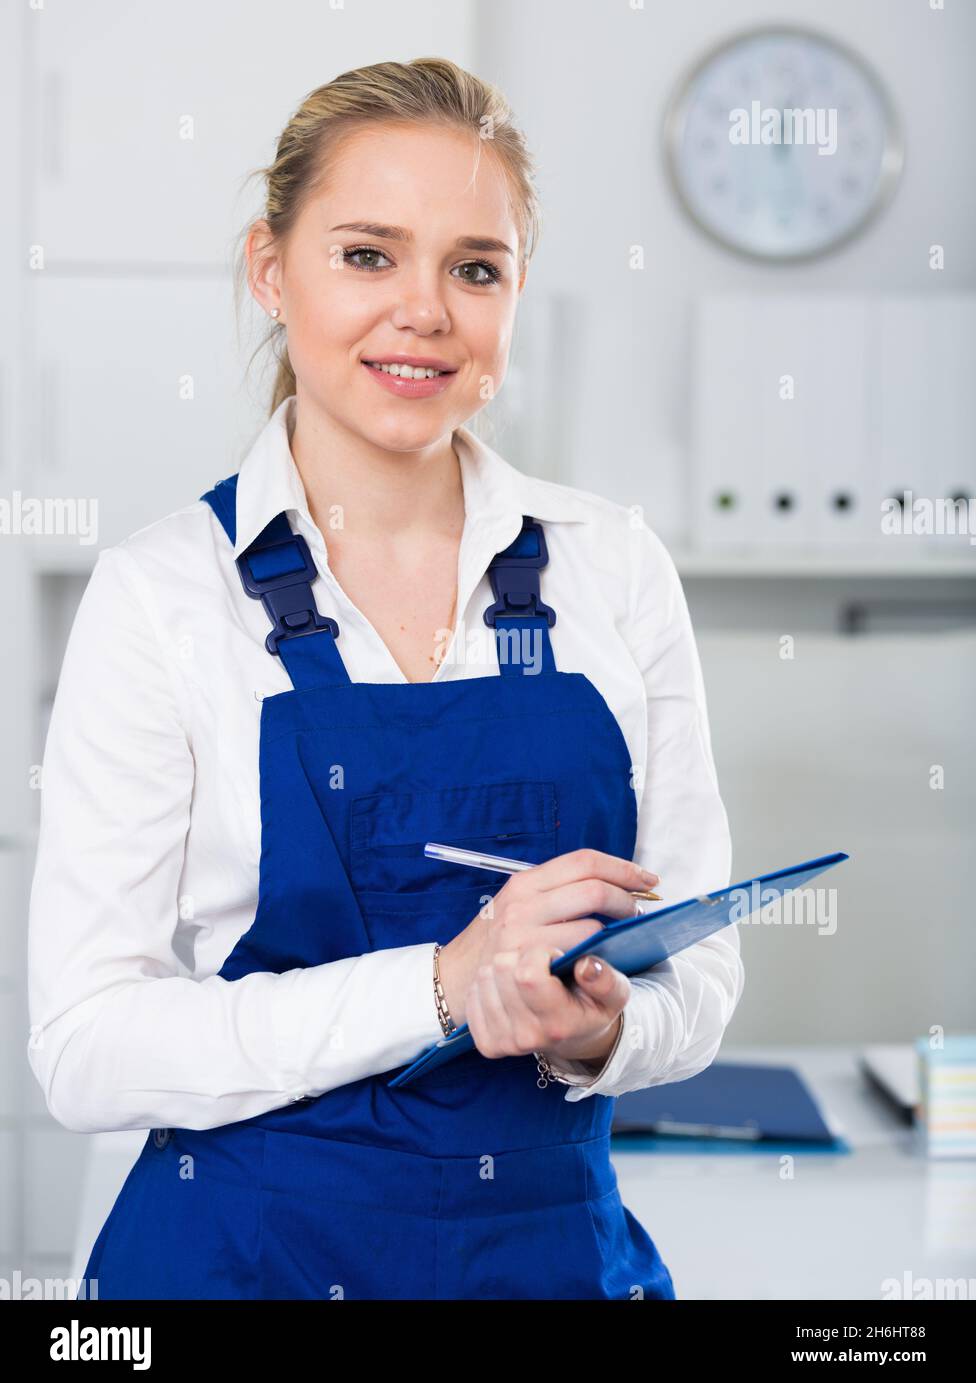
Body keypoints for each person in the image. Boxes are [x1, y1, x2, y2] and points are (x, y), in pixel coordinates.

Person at [27, 56, 744, 1300]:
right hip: (240, 1265)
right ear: (271, 268)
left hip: (550, 1262)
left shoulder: (612, 571)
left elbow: (703, 975)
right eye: (367, 255)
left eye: (476, 267)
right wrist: (441, 985)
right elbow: (86, 1049)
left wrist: (607, 1028)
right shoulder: (162, 598)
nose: (424, 310)